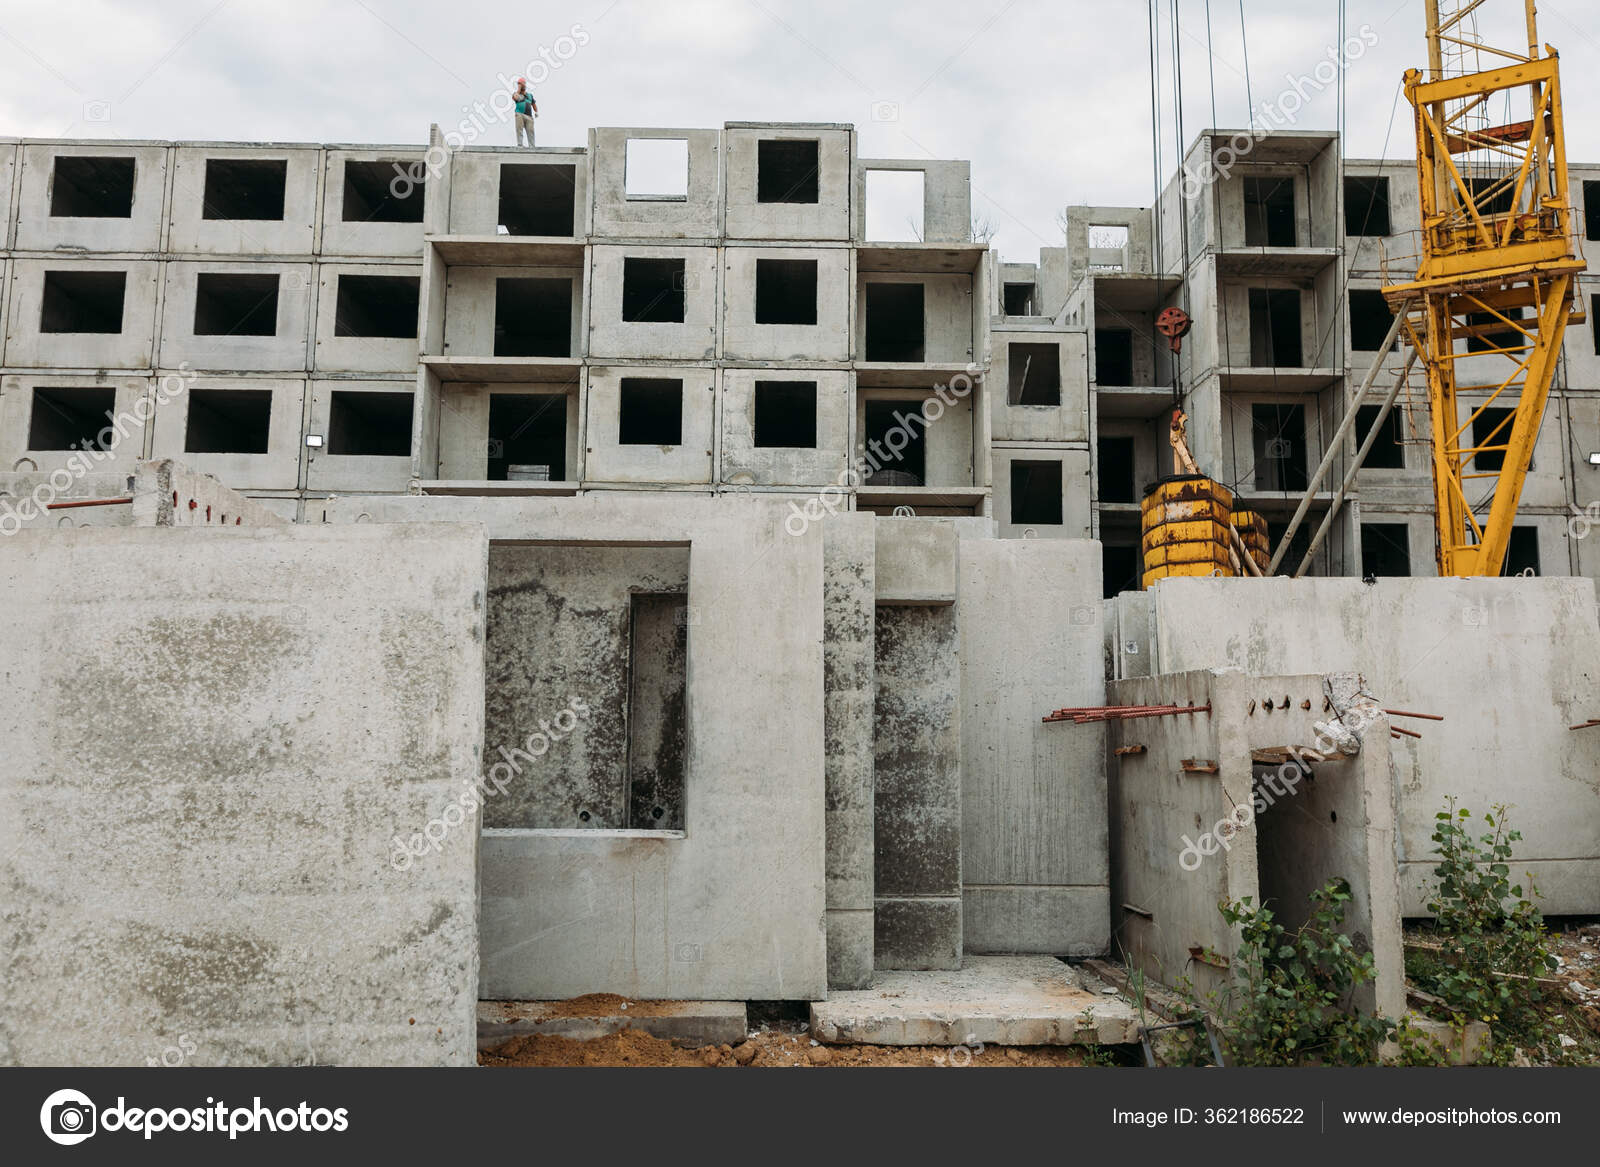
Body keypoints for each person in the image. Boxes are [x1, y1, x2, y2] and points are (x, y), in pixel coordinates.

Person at [512, 78, 538, 147]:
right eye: (519, 84)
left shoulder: (529, 95)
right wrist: (519, 89)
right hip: (519, 114)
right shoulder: (516, 94)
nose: (521, 85)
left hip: (529, 116)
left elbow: (533, 104)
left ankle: (532, 146)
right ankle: (520, 145)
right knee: (519, 129)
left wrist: (536, 112)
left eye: (522, 83)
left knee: (531, 131)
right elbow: (515, 97)